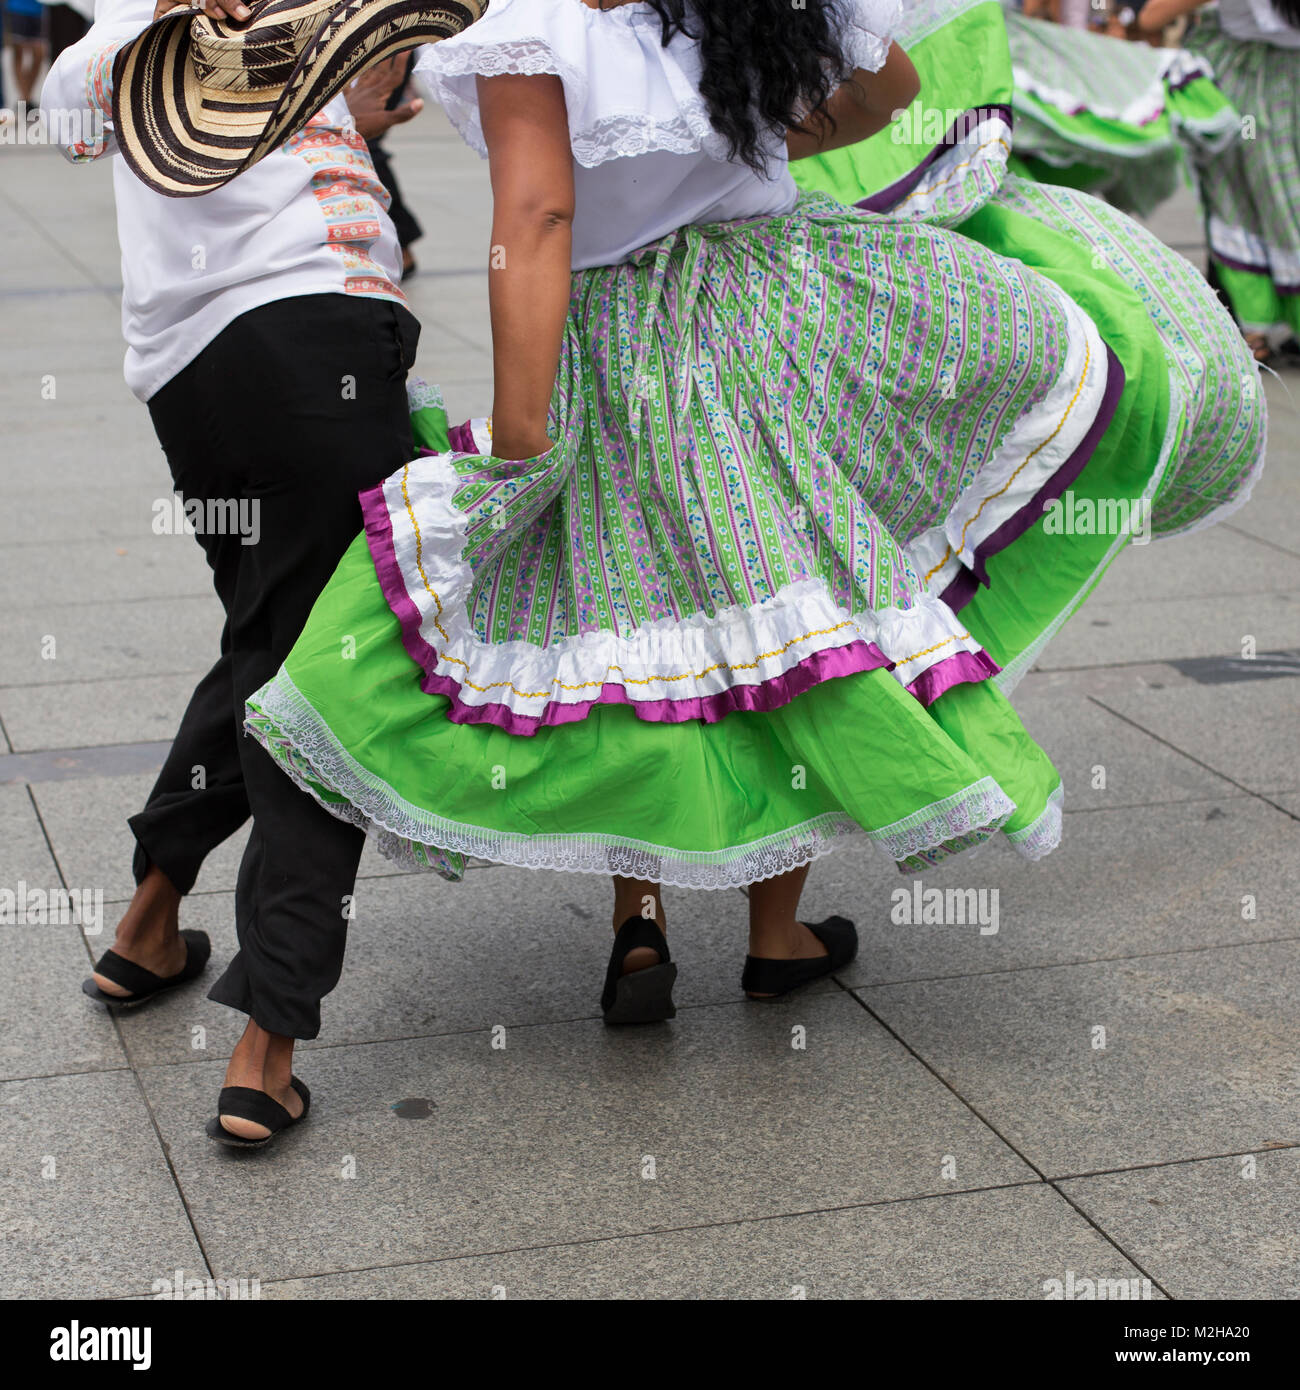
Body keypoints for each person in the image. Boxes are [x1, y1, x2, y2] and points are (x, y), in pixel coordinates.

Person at [237, 0, 1263, 1060]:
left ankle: (641, 928)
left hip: (619, 344)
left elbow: (538, 220)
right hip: (780, 306)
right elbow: (889, 93)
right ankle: (775, 935)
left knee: (638, 620)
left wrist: (521, 434)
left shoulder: (533, 26)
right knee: (797, 615)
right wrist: (747, 144)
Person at [46, 0, 426, 1147]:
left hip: (202, 373)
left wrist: (357, 106)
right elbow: (68, 99)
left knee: (276, 636)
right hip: (309, 338)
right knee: (337, 669)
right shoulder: (151, 19)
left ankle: (150, 924)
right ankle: (268, 1043)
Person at [1141, 0, 1300, 362]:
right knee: (1286, 206)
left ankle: (1253, 333)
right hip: (1290, 85)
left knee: (1240, 207)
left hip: (1249, 91)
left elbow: (1154, 15)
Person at [3, 0, 46, 109]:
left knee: (39, 54)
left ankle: (26, 98)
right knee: (18, 52)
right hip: (17, 8)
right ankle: (25, 99)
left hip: (38, 9)